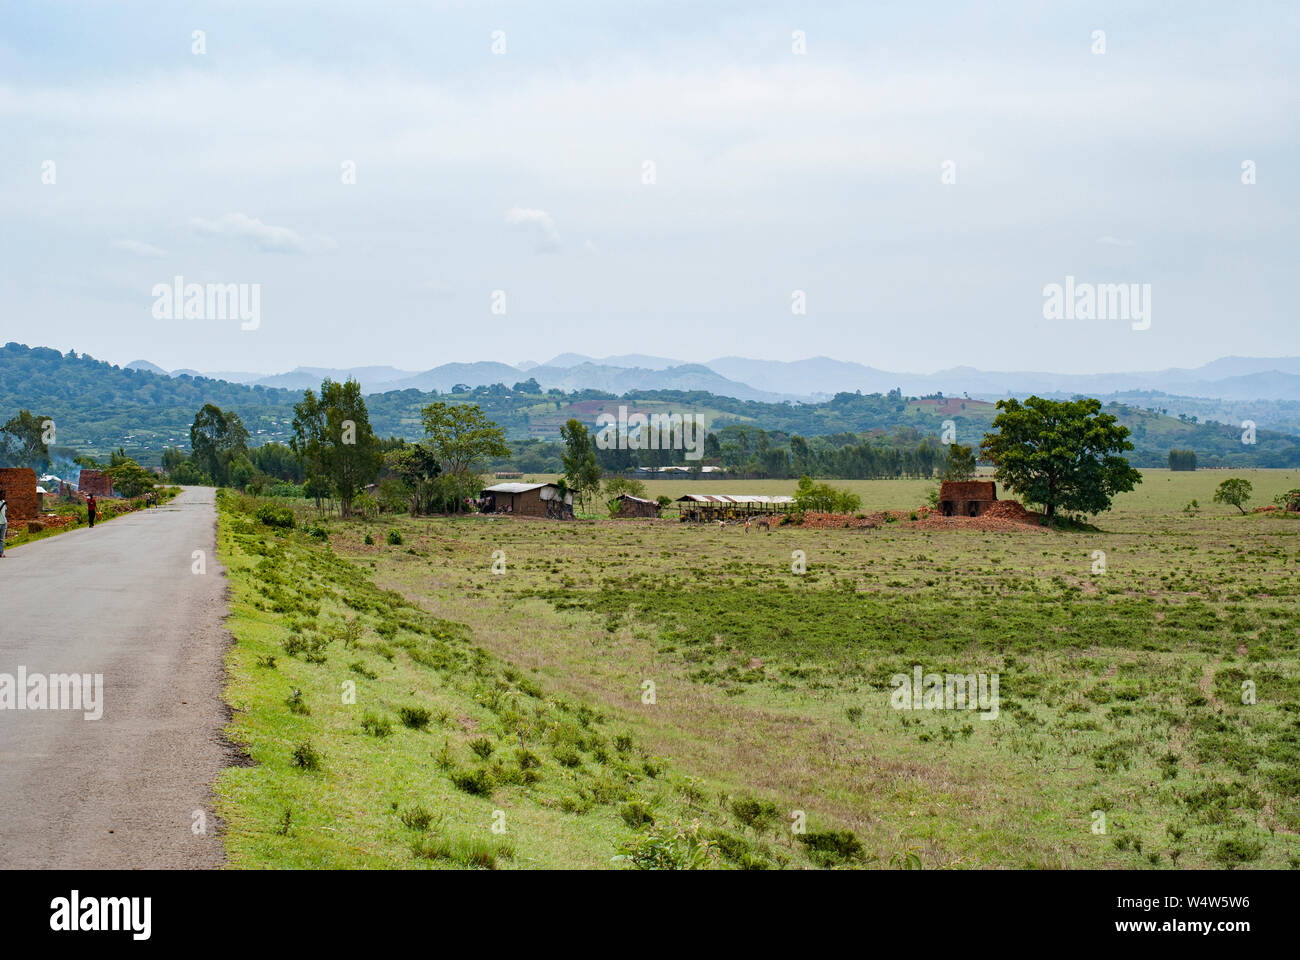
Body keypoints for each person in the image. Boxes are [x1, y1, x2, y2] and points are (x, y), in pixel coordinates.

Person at [0, 488, 7, 558]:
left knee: (2, 539)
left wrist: (6, 521)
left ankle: (1, 553)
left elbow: (5, 512)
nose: (4, 496)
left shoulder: (3, 501)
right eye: (3, 494)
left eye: (5, 495)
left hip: (4, 522)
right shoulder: (2, 503)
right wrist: (3, 504)